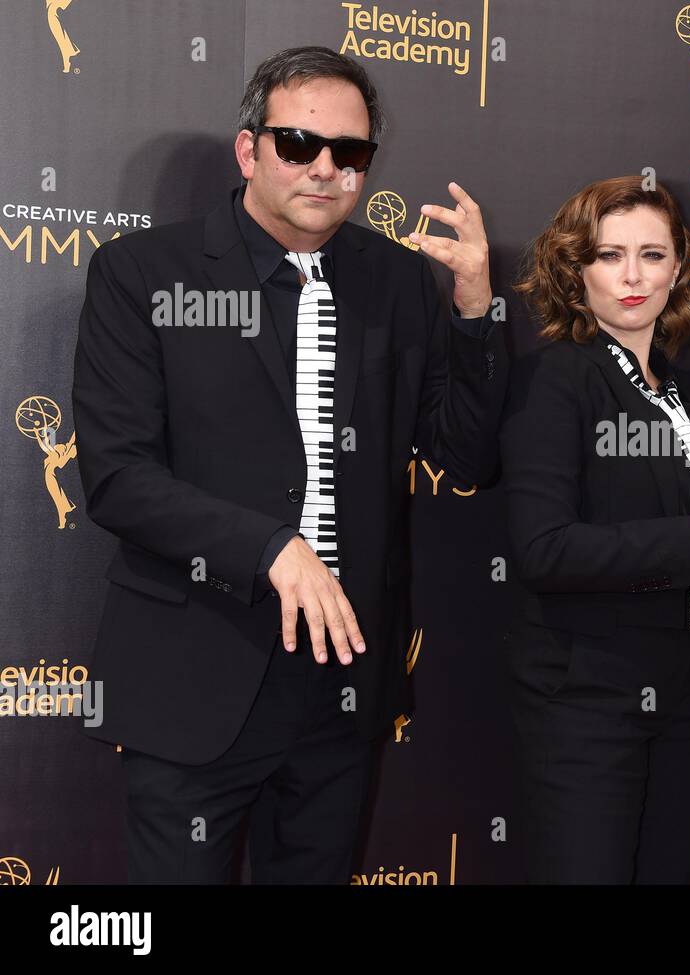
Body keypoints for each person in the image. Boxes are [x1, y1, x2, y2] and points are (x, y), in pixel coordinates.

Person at [71, 46, 507, 883]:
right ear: (249, 151)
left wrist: (477, 308)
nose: (325, 168)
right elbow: (120, 477)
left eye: (351, 153)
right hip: (194, 672)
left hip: (341, 688)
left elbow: (466, 455)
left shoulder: (400, 281)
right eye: (299, 143)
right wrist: (272, 546)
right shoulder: (144, 273)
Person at [501, 175, 690, 883]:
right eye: (608, 255)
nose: (632, 276)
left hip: (686, 690)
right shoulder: (556, 380)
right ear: (576, 269)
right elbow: (544, 550)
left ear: (679, 268)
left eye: (652, 255)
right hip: (585, 702)